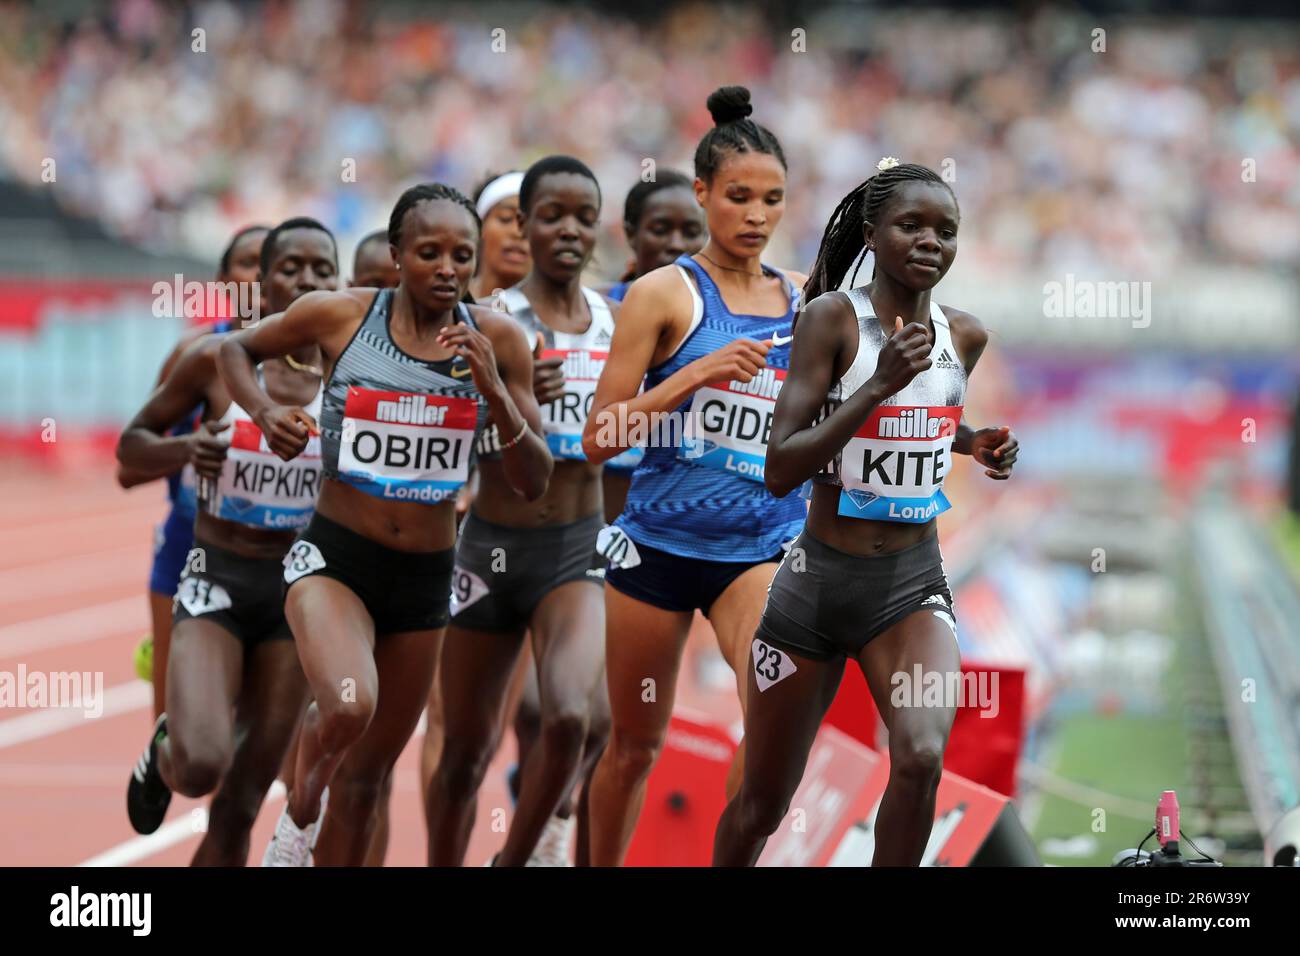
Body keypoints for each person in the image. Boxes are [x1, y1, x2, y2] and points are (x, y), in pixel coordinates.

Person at [219, 183, 551, 866]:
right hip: (337, 561)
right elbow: (233, 352)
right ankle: (300, 813)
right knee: (347, 706)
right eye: (428, 252)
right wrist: (263, 413)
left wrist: (493, 390)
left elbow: (533, 479)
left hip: (426, 581)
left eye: (462, 254)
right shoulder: (340, 316)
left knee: (368, 783)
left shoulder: (501, 340)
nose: (447, 268)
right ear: (396, 255)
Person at [711, 159, 1019, 866]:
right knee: (761, 804)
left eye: (945, 231)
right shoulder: (830, 320)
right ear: (873, 235)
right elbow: (781, 465)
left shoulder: (964, 335)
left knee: (918, 757)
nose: (929, 242)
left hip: (910, 588)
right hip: (814, 591)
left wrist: (979, 445)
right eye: (910, 225)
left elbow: (928, 421)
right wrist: (876, 386)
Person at [581, 86, 807, 866]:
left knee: (775, 720)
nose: (755, 215)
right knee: (634, 747)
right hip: (657, 550)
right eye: (738, 196)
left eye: (772, 199)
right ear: (703, 193)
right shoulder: (661, 294)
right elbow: (598, 440)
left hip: (758, 550)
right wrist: (693, 374)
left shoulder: (805, 302)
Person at [121, 218, 338, 865]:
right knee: (200, 767)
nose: (306, 281)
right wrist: (190, 447)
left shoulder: (350, 370)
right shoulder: (212, 361)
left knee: (243, 802)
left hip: (294, 599)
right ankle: (165, 753)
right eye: (289, 267)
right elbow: (130, 446)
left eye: (321, 269)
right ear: (261, 284)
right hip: (215, 578)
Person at [427, 156, 615, 867]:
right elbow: (448, 440)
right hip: (489, 550)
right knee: (466, 753)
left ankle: (519, 859)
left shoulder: (614, 321)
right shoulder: (485, 322)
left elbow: (633, 426)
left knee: (571, 715)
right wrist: (501, 396)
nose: (569, 229)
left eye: (584, 216)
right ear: (521, 226)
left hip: (573, 547)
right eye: (551, 215)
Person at [119, 225, 268, 719]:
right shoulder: (192, 356)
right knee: (174, 723)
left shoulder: (313, 359)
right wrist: (191, 451)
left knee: (266, 725)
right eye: (250, 262)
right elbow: (128, 468)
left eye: (277, 262)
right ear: (224, 282)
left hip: (280, 555)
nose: (264, 275)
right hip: (190, 547)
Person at [468, 170, 531, 300]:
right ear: (479, 227)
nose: (518, 232)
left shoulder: (565, 316)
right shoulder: (448, 306)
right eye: (506, 218)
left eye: (530, 221)